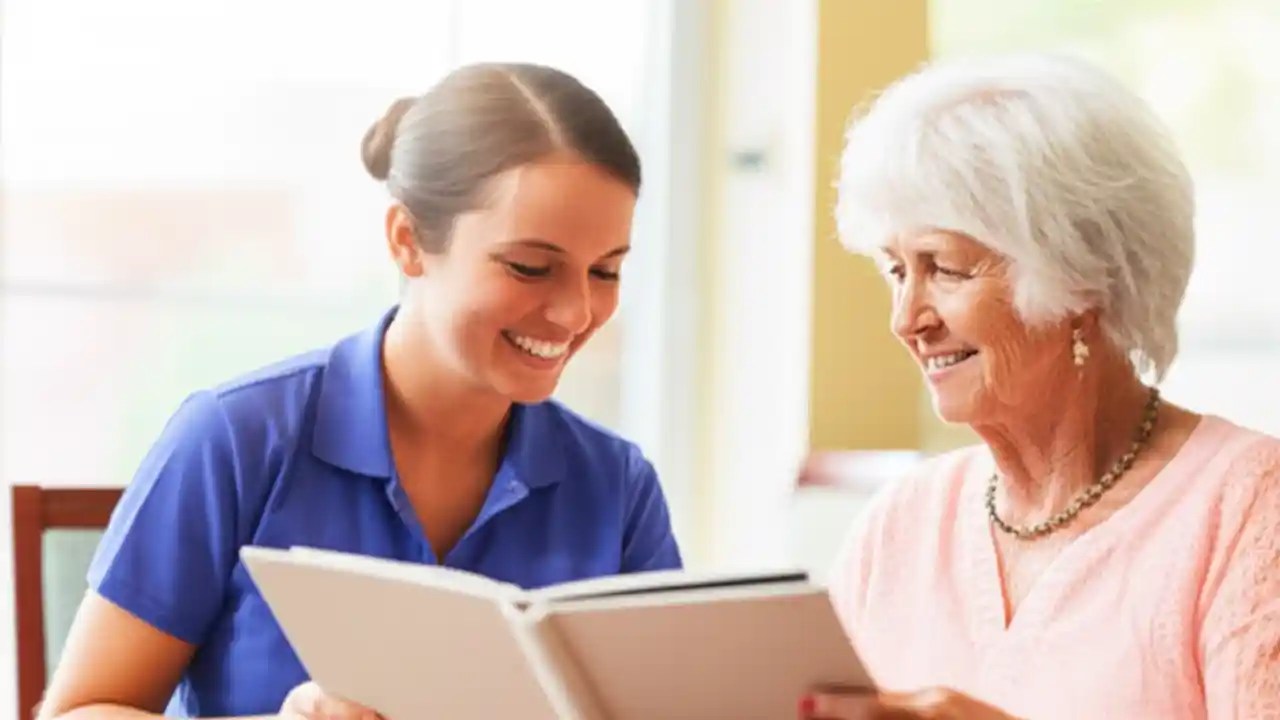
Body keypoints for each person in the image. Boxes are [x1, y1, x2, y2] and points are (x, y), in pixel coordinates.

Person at [38, 62, 682, 720]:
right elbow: (77, 713)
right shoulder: (236, 439)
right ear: (408, 241)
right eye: (530, 267)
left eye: (606, 271)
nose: (577, 313)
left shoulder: (618, 487)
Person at [801, 54, 1279, 719]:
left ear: (1079, 277)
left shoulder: (1249, 506)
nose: (906, 320)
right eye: (897, 271)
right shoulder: (900, 524)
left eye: (945, 269)